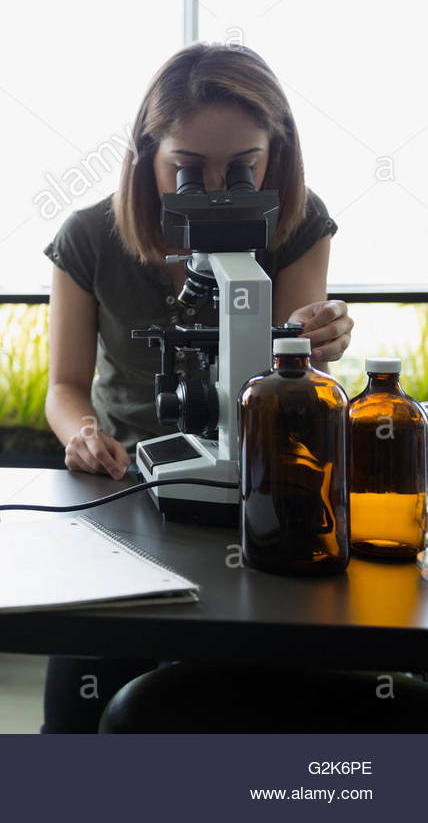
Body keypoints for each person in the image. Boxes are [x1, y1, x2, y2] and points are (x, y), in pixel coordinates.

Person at [40, 42, 354, 731]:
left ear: (276, 155)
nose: (215, 192)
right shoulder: (88, 237)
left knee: (265, 707)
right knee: (78, 711)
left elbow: (297, 373)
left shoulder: (297, 223)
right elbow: (63, 386)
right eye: (187, 170)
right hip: (127, 489)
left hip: (257, 492)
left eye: (243, 169)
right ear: (146, 156)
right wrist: (82, 433)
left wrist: (315, 338)